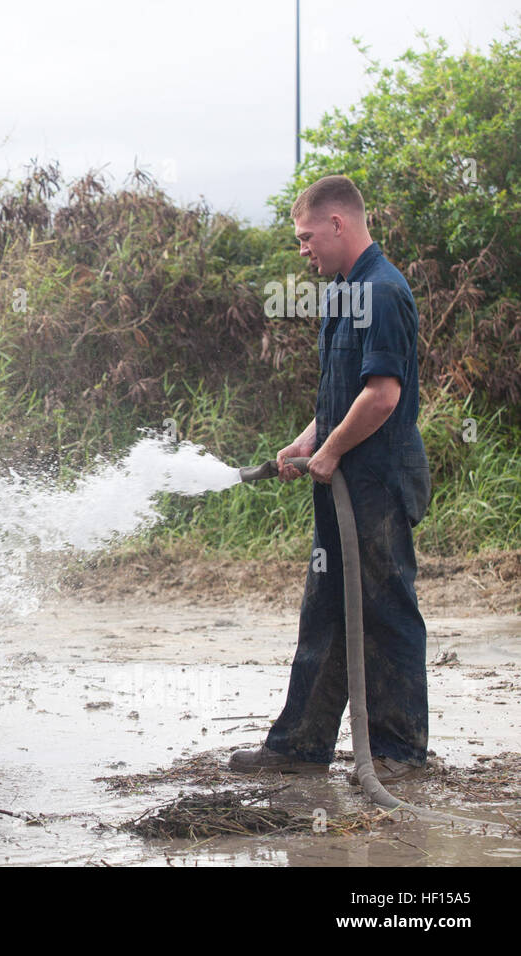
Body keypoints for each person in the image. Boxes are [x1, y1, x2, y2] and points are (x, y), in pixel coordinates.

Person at [229, 175, 432, 784]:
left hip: (377, 483)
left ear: (337, 224)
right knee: (327, 612)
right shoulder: (346, 293)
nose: (302, 250)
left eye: (305, 236)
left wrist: (334, 451)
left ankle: (399, 757)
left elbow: (382, 395)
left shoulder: (384, 291)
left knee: (384, 614)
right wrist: (310, 440)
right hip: (344, 478)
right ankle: (300, 746)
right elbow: (342, 394)